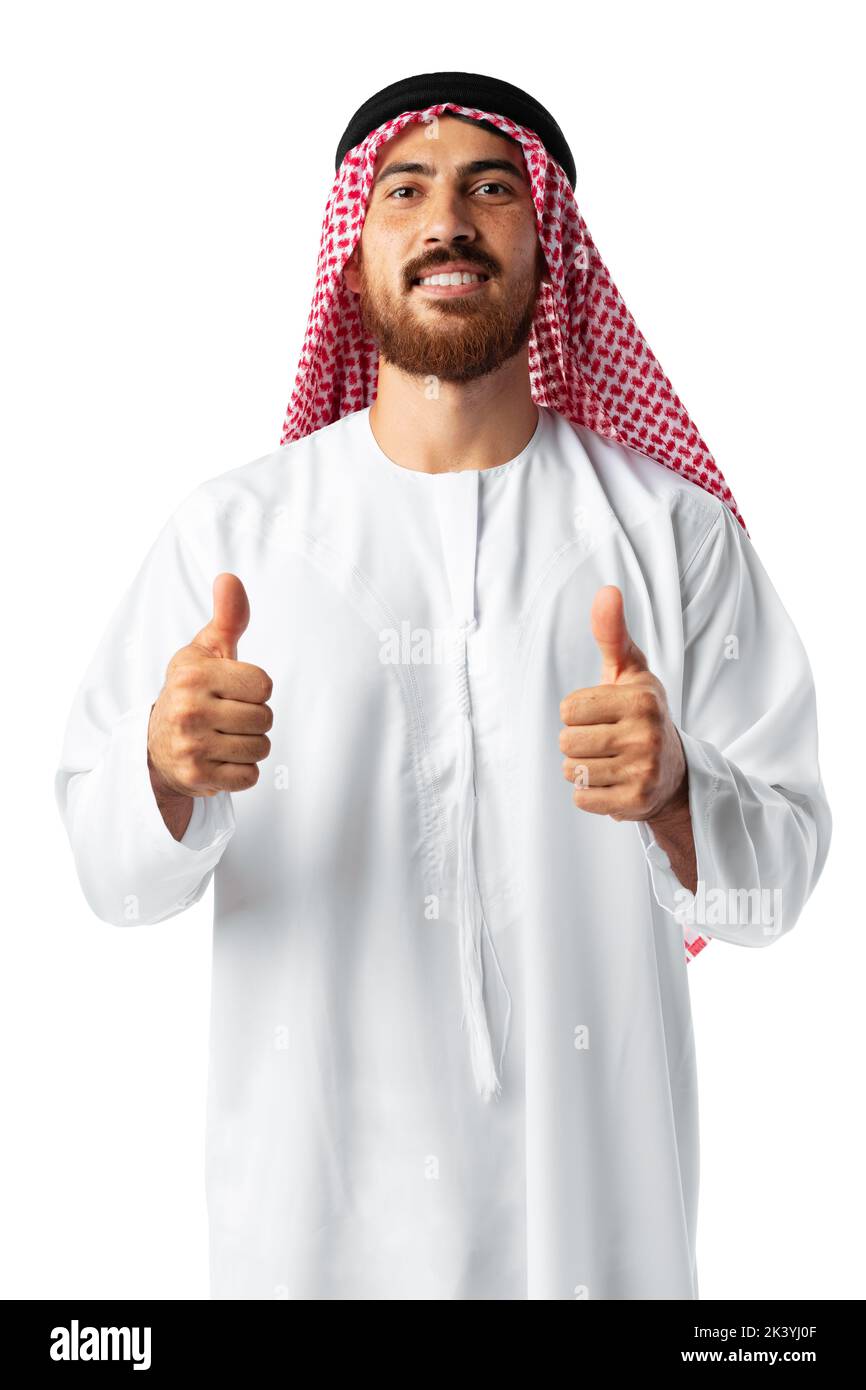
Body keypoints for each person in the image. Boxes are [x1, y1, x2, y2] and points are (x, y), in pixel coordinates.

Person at [54, 71, 832, 1300]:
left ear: (550, 243)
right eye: (405, 190)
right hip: (307, 1238)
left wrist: (679, 789)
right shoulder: (233, 536)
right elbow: (107, 877)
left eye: (488, 187)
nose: (446, 222)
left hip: (594, 1236)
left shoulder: (673, 537)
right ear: (354, 244)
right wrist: (160, 767)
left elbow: (777, 881)